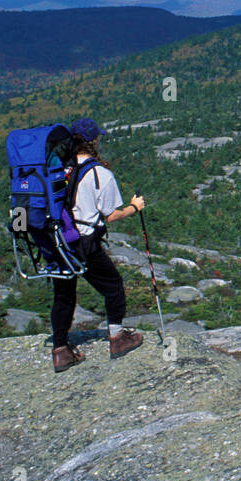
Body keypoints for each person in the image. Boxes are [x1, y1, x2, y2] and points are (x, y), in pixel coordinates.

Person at [50, 117, 146, 372]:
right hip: (83, 243)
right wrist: (134, 208)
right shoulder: (99, 173)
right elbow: (110, 215)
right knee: (113, 286)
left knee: (63, 294)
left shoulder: (59, 167)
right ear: (94, 141)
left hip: (57, 241)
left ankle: (60, 350)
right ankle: (117, 338)